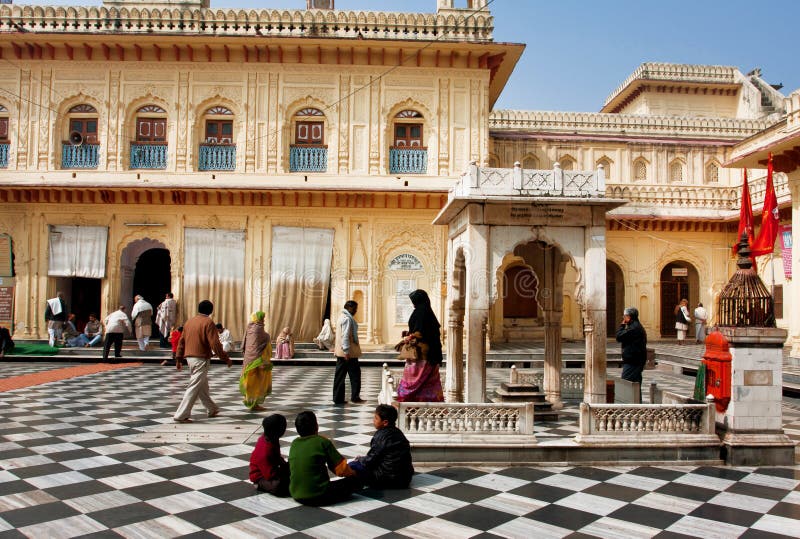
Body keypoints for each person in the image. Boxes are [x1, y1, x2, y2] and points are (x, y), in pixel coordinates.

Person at [173, 300, 231, 423]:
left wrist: (178, 358)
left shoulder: (189, 322)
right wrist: (225, 358)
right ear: (211, 311)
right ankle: (181, 414)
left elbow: (181, 342)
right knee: (194, 386)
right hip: (201, 358)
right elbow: (215, 343)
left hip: (190, 359)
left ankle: (212, 408)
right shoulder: (208, 322)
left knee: (202, 386)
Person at [288, 410, 361, 506]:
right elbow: (341, 470)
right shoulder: (322, 442)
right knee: (355, 481)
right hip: (319, 495)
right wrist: (354, 473)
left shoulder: (294, 443)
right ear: (316, 426)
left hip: (296, 493)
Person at [349, 405, 414, 489]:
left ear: (385, 422)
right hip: (405, 479)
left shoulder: (381, 435)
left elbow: (370, 460)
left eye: (376, 418)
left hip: (386, 480)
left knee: (352, 465)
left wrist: (359, 459)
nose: (373, 420)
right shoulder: (398, 432)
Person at [396, 289, 444, 402]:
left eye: (414, 301)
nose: (413, 303)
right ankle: (432, 407)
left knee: (413, 379)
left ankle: (405, 401)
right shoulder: (427, 312)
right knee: (429, 381)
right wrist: (410, 334)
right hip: (431, 353)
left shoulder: (421, 312)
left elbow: (421, 332)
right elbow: (426, 330)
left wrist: (411, 336)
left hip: (421, 354)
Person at [240, 311, 272, 412]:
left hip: (249, 359)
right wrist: (267, 337)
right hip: (257, 360)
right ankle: (254, 403)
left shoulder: (249, 327)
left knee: (250, 381)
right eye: (263, 318)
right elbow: (263, 339)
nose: (263, 320)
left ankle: (251, 401)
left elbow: (246, 342)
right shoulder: (258, 328)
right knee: (257, 382)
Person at [249, 414, 290, 496]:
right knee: (278, 485)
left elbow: (277, 457)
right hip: (260, 477)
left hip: (272, 468)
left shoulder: (272, 438)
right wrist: (284, 472)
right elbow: (269, 475)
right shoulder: (265, 451)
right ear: (279, 431)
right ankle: (259, 485)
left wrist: (285, 465)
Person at [333, 300, 364, 404]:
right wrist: (346, 351)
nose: (356, 310)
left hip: (342, 352)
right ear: (349, 308)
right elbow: (345, 336)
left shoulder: (341, 317)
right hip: (348, 353)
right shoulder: (347, 319)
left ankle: (338, 398)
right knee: (355, 375)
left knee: (340, 376)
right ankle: (355, 397)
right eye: (355, 308)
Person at [616, 306, 648, 384]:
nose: (623, 318)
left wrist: (622, 326)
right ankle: (637, 397)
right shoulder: (635, 326)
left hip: (633, 361)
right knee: (635, 385)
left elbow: (619, 337)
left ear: (629, 317)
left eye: (624, 316)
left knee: (626, 384)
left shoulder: (634, 328)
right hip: (635, 360)